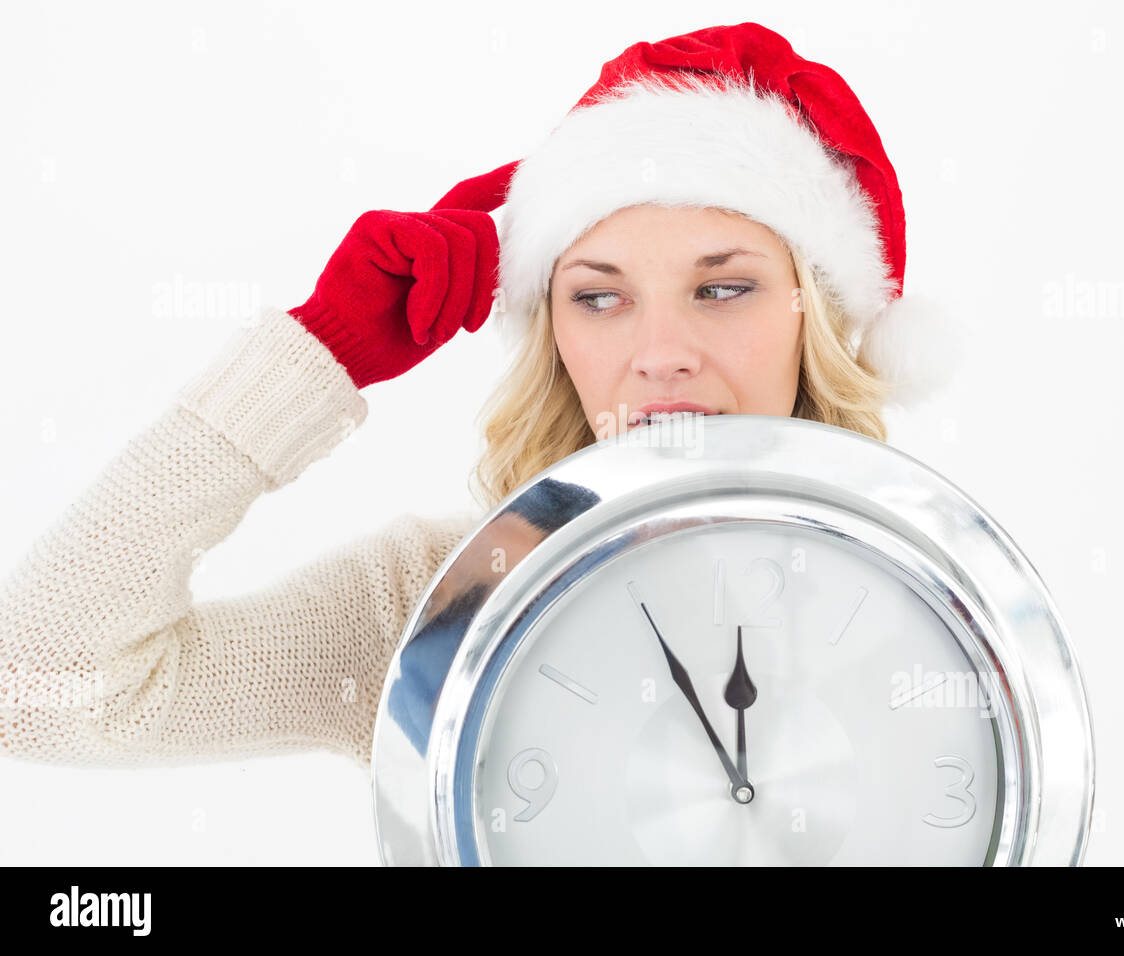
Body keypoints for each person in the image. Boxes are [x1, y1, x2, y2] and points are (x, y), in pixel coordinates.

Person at [0, 21, 963, 772]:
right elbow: (38, 685)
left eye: (722, 288)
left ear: (818, 318)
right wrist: (317, 354)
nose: (659, 355)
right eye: (600, 297)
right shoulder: (447, 603)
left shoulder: (938, 607)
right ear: (556, 333)